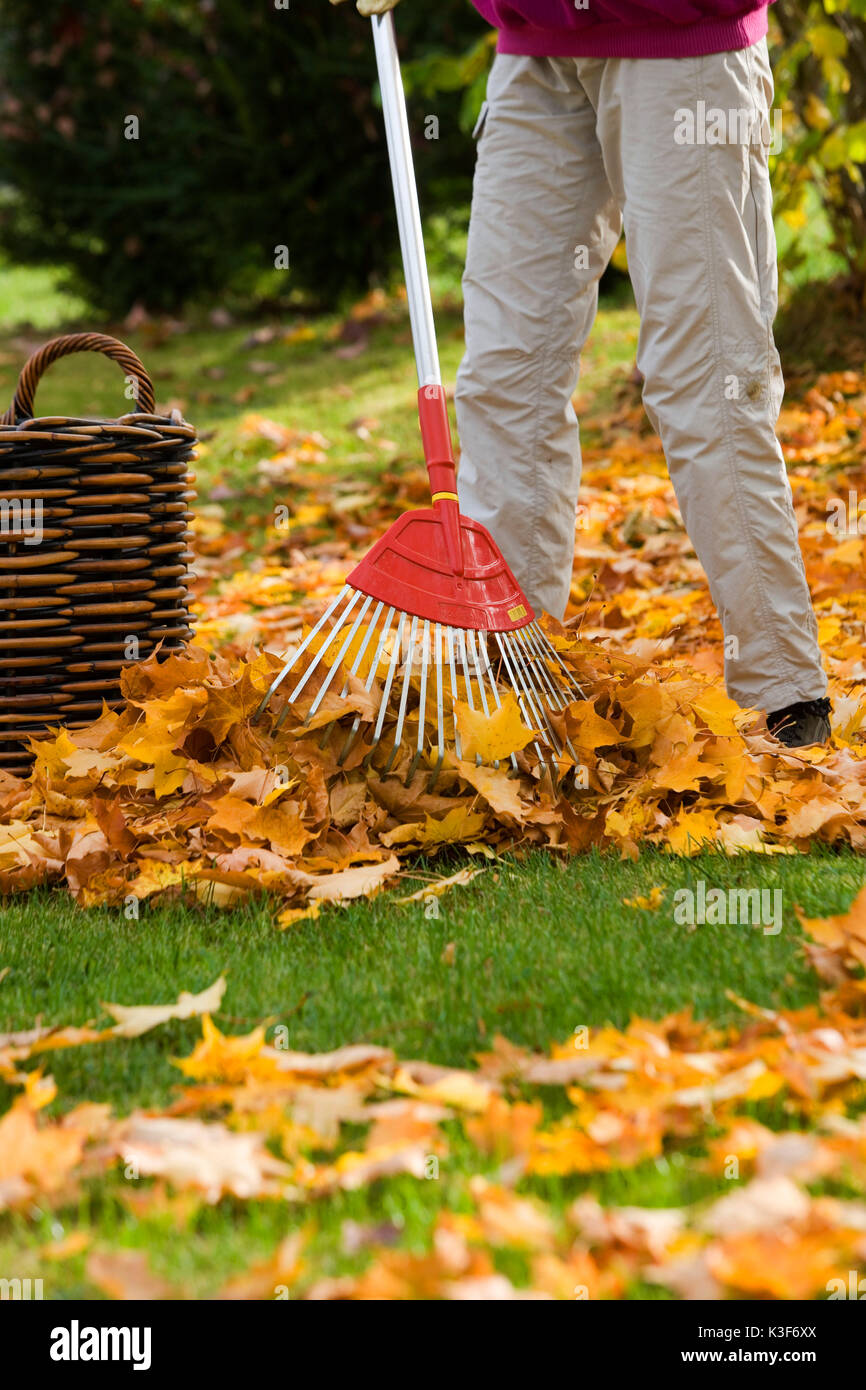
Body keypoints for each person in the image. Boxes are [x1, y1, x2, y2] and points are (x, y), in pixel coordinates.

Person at [331, 0, 831, 748]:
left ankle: (785, 686)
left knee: (706, 376)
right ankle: (508, 670)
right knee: (506, 375)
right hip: (535, 44)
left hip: (678, 36)